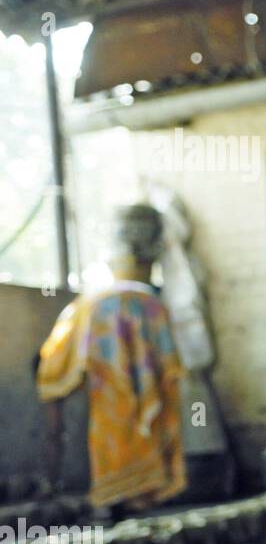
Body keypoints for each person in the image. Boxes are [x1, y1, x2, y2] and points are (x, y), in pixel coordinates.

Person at [36, 204, 186, 515]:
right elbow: (170, 371)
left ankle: (116, 502)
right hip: (148, 410)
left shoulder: (91, 306)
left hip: (110, 407)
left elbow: (56, 365)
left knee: (114, 441)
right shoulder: (154, 307)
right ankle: (139, 501)